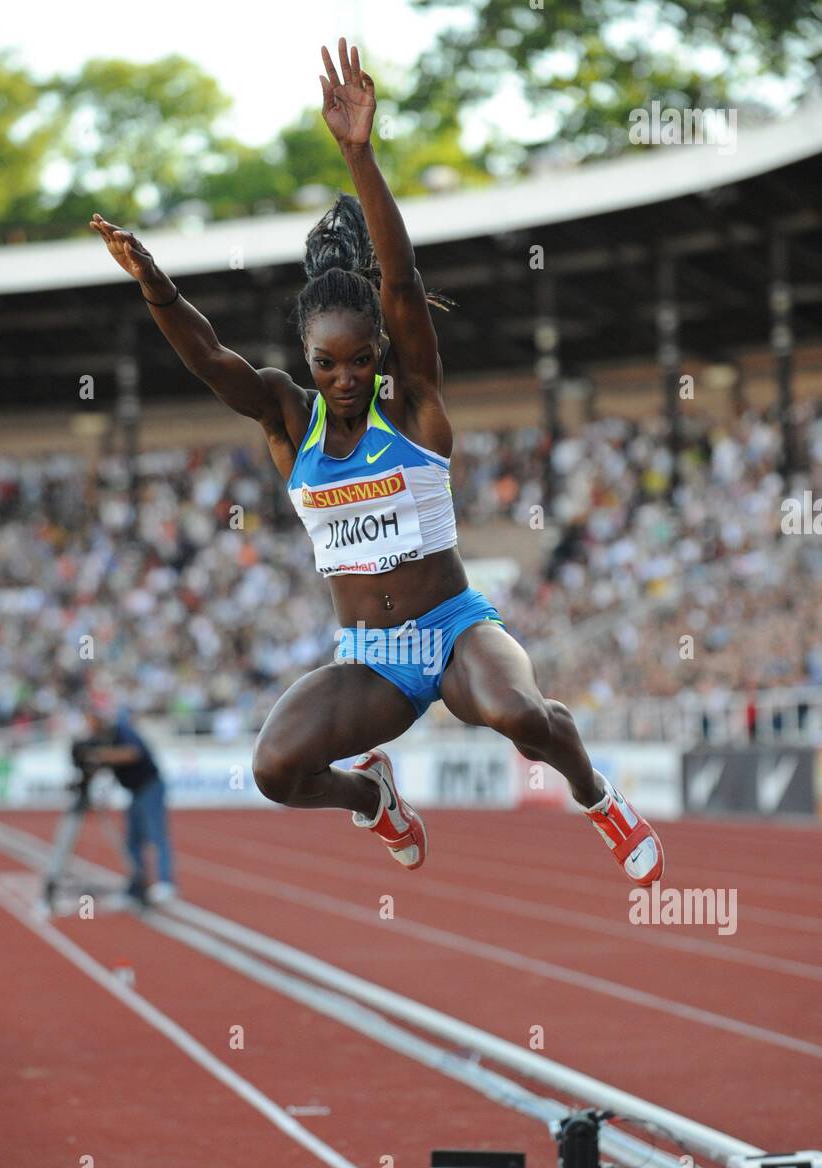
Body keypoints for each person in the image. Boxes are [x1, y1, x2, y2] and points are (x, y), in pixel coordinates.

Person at [89, 37, 664, 885]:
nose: (347, 377)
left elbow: (400, 279)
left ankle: (597, 795)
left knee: (520, 714)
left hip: (455, 628)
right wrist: (155, 286)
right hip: (369, 656)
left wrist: (360, 155)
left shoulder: (414, 405)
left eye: (360, 359)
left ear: (381, 351)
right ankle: (376, 803)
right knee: (274, 771)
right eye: (328, 364)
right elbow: (214, 363)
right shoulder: (291, 418)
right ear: (308, 362)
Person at [80, 707, 175, 904]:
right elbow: (109, 770)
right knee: (132, 840)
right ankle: (137, 885)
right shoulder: (102, 742)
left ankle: (165, 883)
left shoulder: (122, 731)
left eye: (93, 722)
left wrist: (99, 756)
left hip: (150, 787)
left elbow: (132, 754)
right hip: (134, 792)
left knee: (155, 834)